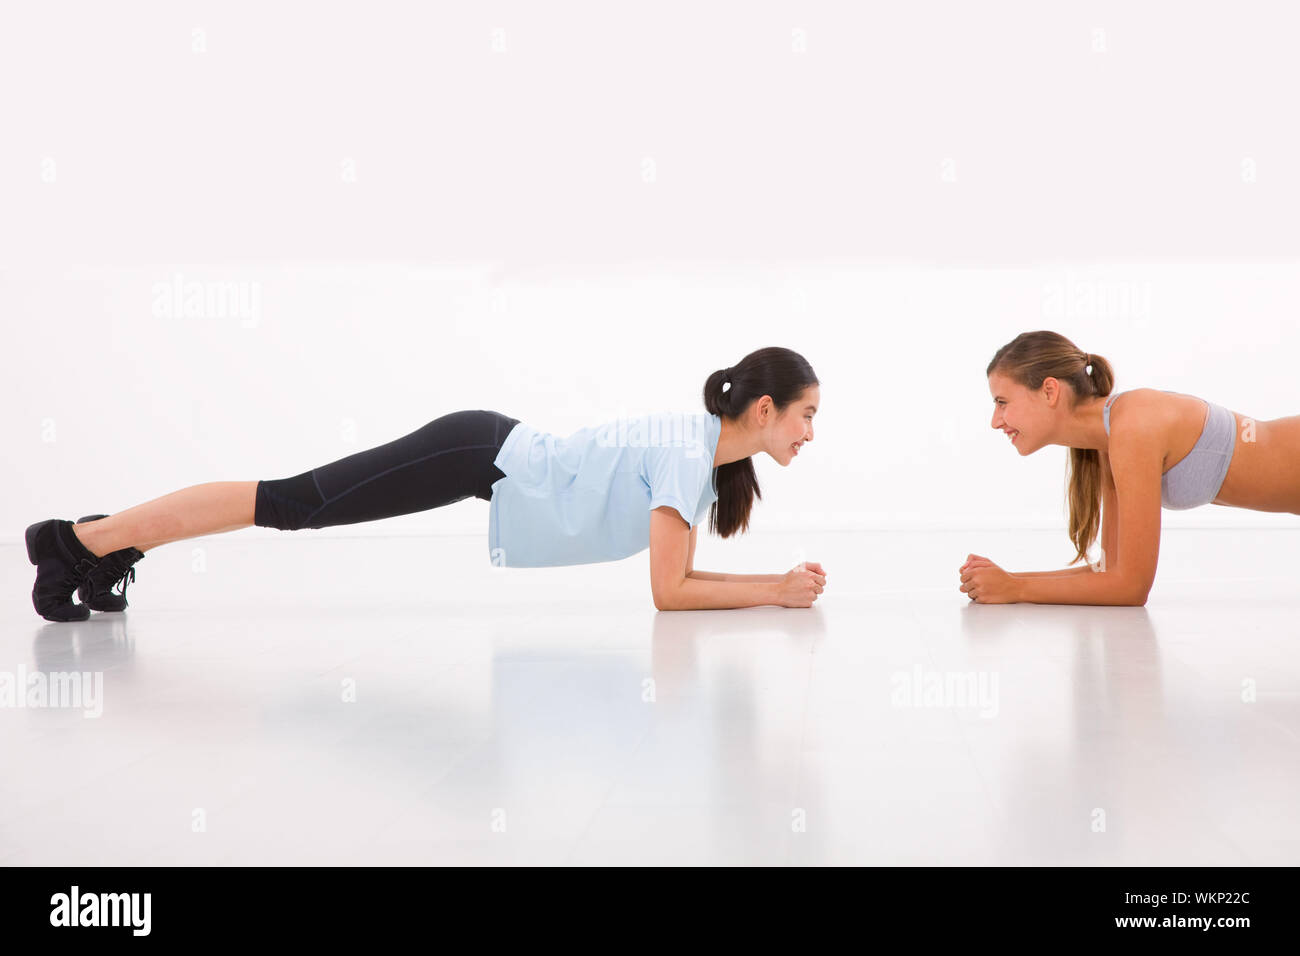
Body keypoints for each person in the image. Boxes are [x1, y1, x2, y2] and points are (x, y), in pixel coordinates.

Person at [26, 346, 826, 621]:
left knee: (294, 503)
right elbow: (669, 594)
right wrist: (775, 591)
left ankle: (101, 542)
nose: (810, 434)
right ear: (765, 408)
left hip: (485, 452)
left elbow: (676, 578)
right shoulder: (688, 454)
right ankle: (78, 542)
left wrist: (776, 586)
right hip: (477, 450)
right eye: (806, 416)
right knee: (294, 502)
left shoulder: (695, 452)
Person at [961, 329, 1291, 605]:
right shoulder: (1109, 442)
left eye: (1002, 402)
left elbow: (1132, 587)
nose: (995, 421)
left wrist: (1016, 589)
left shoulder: (1132, 426)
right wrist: (1007, 580)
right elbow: (1111, 570)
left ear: (1049, 390)